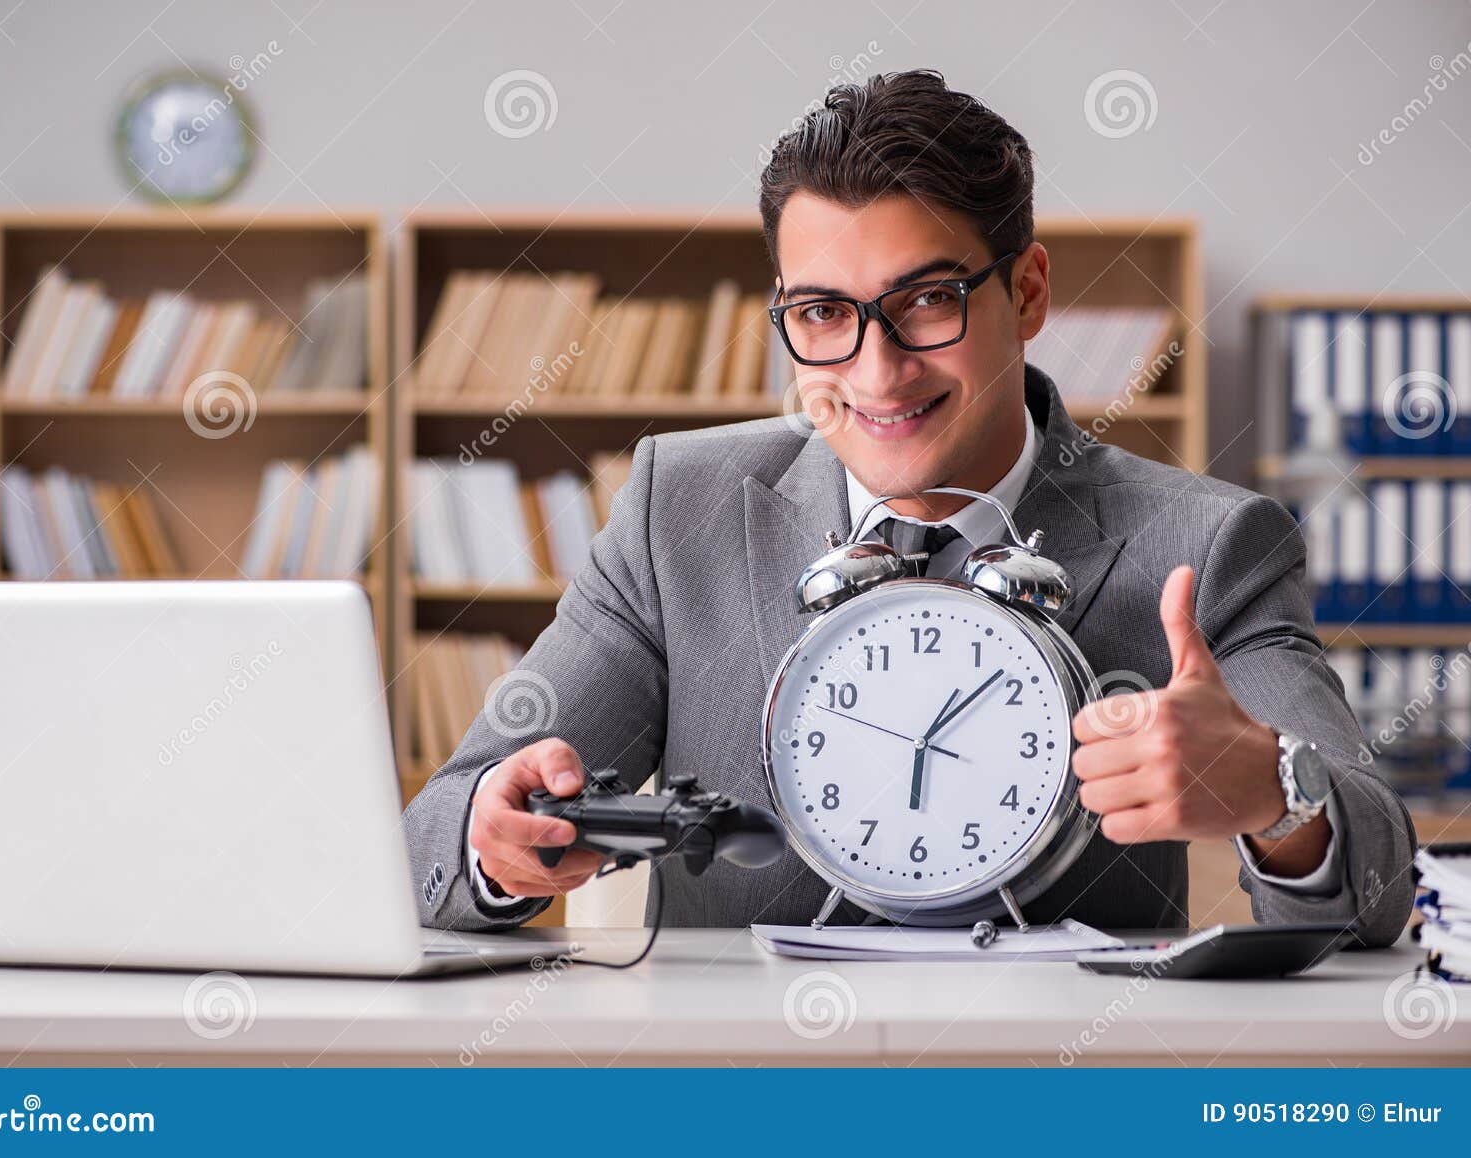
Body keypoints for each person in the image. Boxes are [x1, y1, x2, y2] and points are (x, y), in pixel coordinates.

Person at [403, 69, 1415, 945]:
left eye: (927, 302)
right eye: (822, 314)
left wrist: (1279, 795)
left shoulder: (1209, 543)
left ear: (1025, 292)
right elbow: (431, 837)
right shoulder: (683, 512)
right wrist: (495, 838)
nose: (876, 371)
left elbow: (1375, 887)